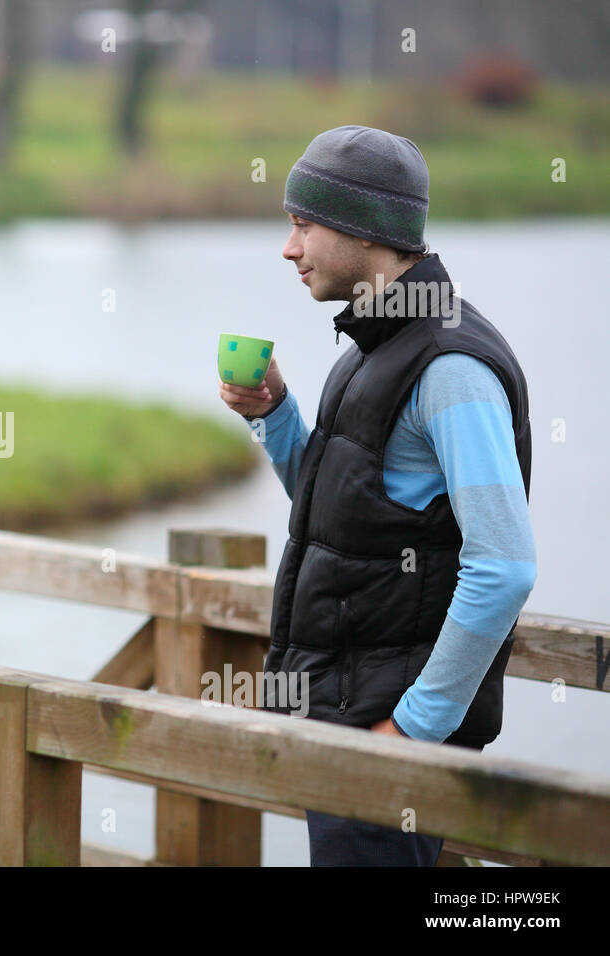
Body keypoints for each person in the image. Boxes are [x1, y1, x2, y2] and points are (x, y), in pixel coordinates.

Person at [218, 126, 537, 866]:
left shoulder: (451, 366)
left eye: (303, 225)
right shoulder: (372, 346)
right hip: (344, 720)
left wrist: (412, 729)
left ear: (366, 231)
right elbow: (334, 516)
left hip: (387, 740)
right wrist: (276, 415)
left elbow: (506, 565)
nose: (288, 249)